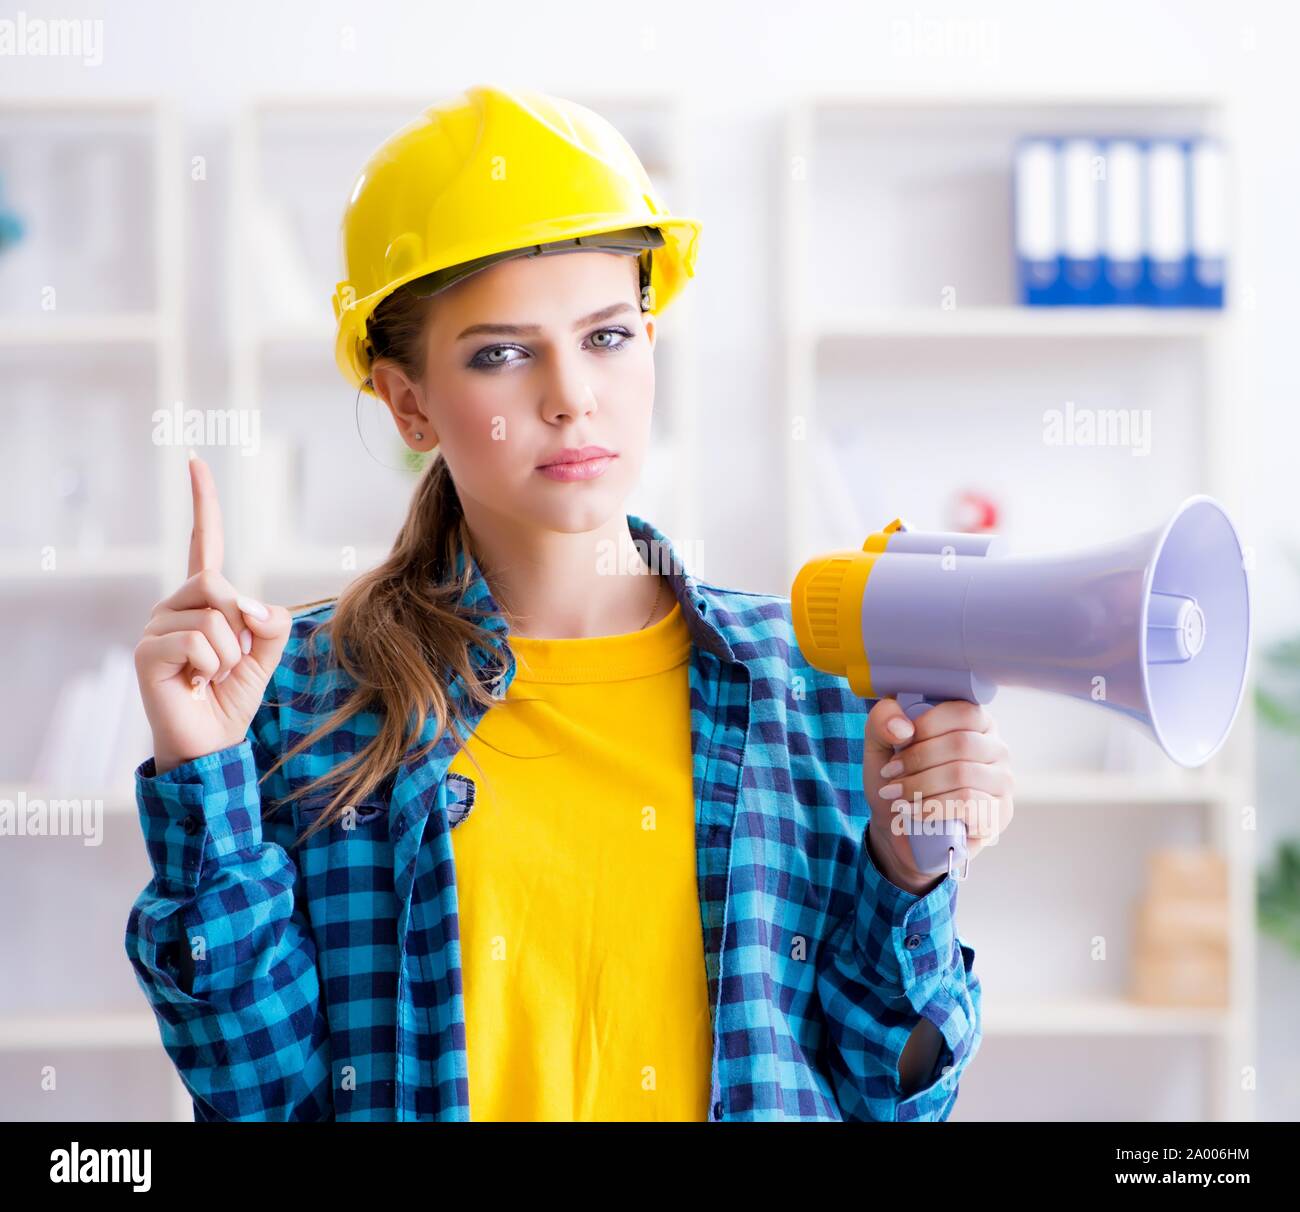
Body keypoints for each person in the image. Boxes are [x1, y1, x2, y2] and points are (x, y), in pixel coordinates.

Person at [125, 83, 1012, 1122]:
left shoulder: (815, 690)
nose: (570, 395)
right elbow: (259, 1099)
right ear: (408, 400)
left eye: (606, 336)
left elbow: (894, 1100)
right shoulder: (295, 700)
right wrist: (205, 781)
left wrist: (907, 873)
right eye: (501, 353)